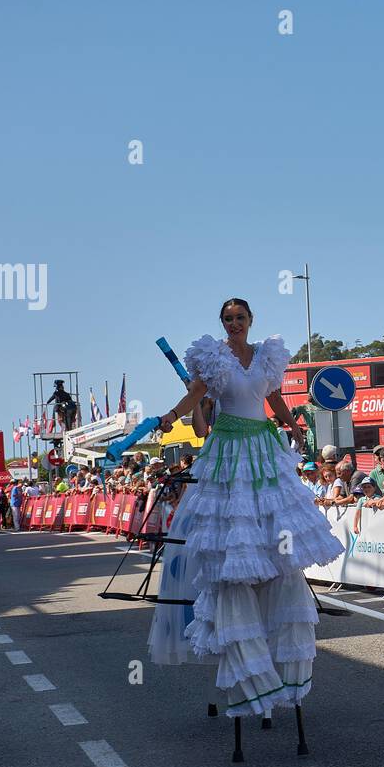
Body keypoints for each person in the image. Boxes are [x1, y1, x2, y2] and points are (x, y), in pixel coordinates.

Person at [146, 298, 343, 736]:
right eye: (227, 319)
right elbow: (196, 393)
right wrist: (169, 416)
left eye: (240, 318)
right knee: (235, 542)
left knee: (275, 541)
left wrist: (293, 427)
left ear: (251, 322)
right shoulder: (213, 357)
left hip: (264, 447)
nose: (234, 324)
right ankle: (247, 674)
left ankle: (284, 677)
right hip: (230, 449)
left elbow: (273, 397)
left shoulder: (267, 355)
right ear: (222, 324)